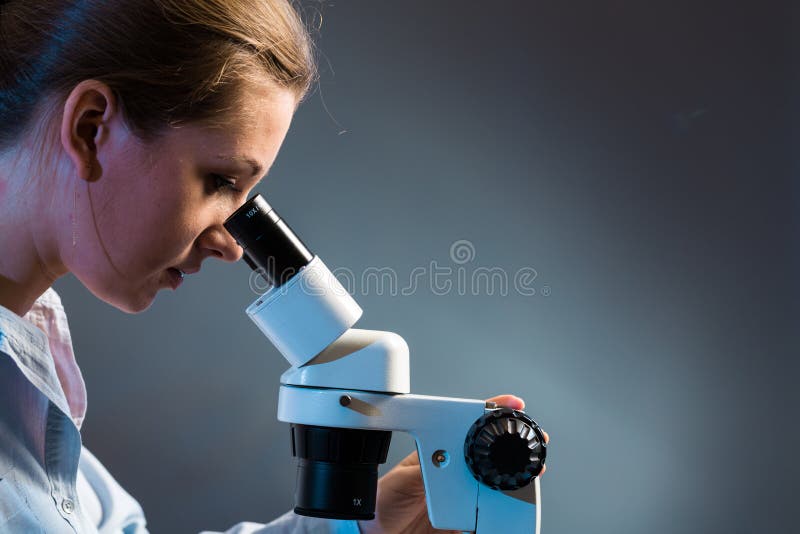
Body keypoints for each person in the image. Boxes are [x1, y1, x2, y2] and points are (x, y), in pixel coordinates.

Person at [0, 1, 548, 532]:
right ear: (92, 129)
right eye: (220, 181)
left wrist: (360, 529)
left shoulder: (31, 376)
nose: (234, 245)